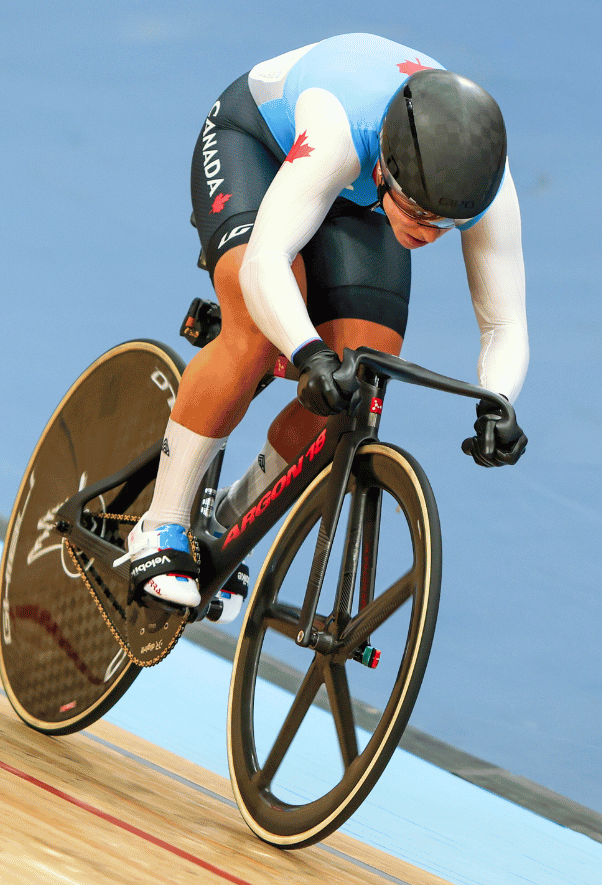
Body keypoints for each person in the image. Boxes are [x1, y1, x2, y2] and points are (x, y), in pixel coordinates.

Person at [120, 33, 528, 611]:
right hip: (257, 143)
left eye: (445, 223)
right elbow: (265, 261)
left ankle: (228, 525)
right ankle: (159, 524)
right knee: (257, 332)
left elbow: (505, 325)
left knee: (358, 381)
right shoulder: (340, 128)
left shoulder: (484, 185)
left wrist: (499, 400)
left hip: (358, 195)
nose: (427, 234)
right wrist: (307, 352)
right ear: (386, 168)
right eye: (417, 214)